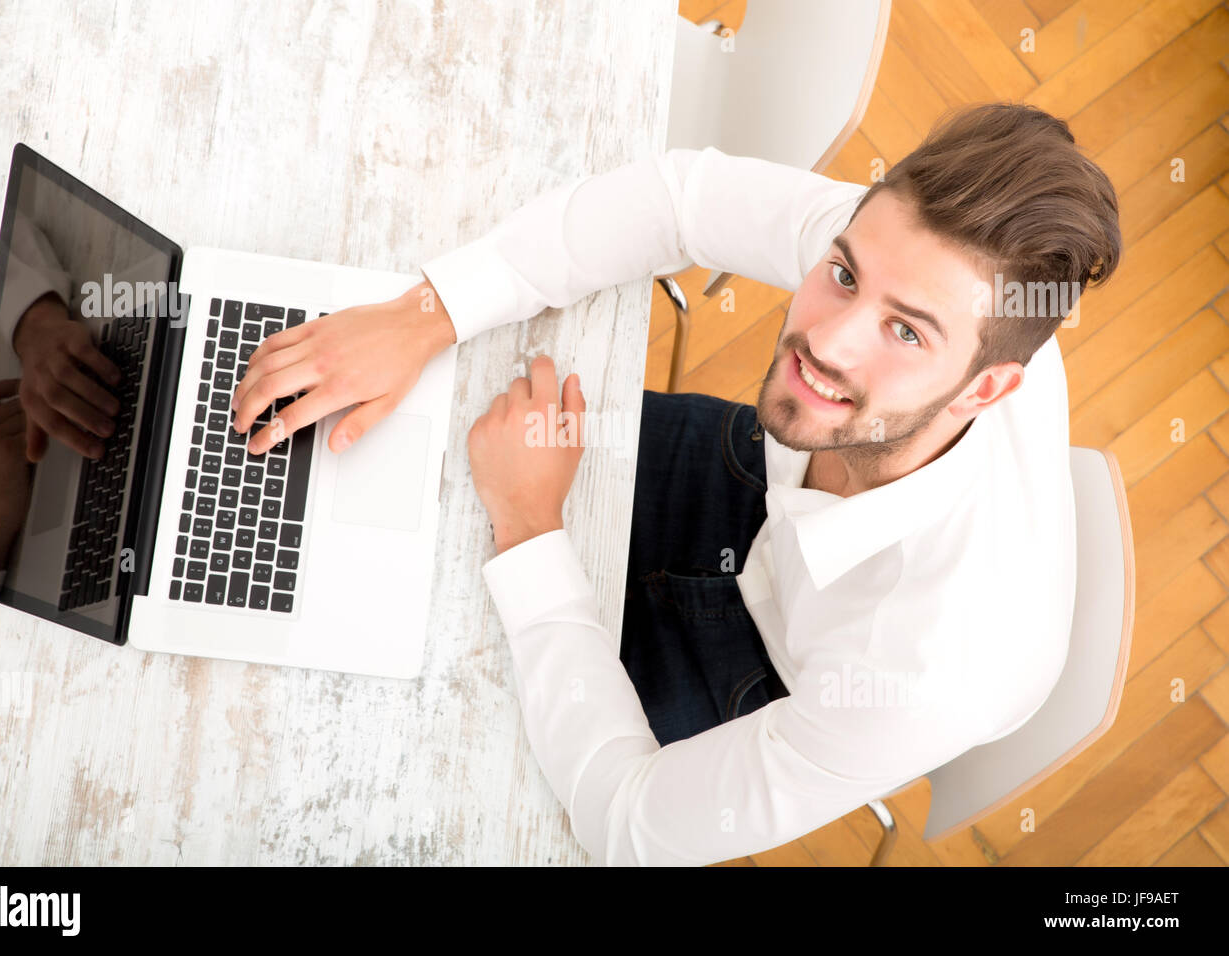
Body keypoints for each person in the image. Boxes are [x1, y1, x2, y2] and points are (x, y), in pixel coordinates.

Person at [230, 103, 1122, 865]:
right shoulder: (905, 261)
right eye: (842, 275)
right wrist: (423, 313)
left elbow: (624, 822)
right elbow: (682, 200)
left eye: (906, 335)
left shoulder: (926, 674)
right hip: (762, 490)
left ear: (989, 390)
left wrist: (533, 529)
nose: (829, 343)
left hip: (777, 676)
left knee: (401, 731)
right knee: (380, 475)